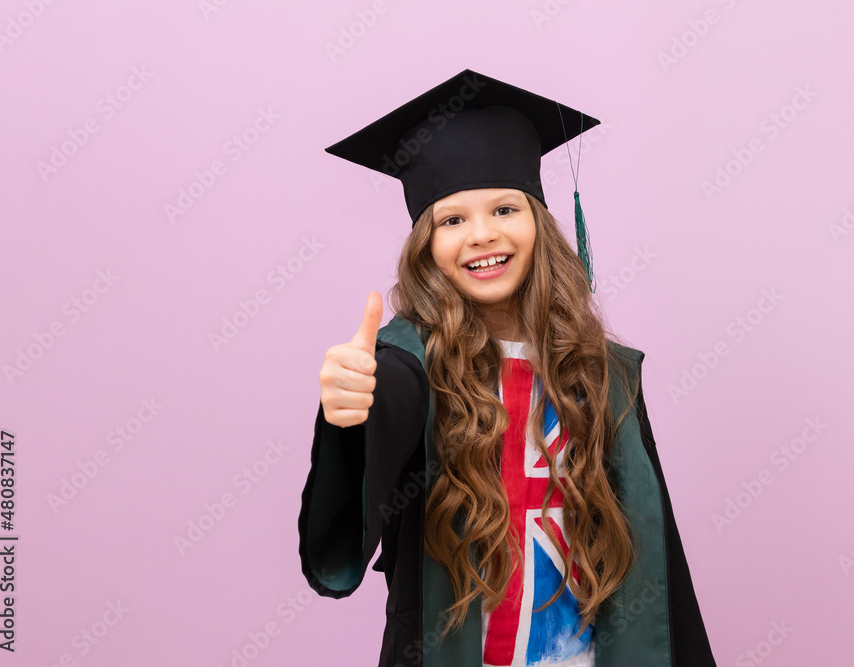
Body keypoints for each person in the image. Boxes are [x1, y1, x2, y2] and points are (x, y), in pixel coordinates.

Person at [298, 69, 716, 667]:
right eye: (453, 220)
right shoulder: (411, 366)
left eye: (503, 208)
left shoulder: (604, 372)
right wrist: (348, 411)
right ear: (426, 244)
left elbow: (659, 556)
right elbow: (384, 408)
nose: (482, 235)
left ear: (539, 223)